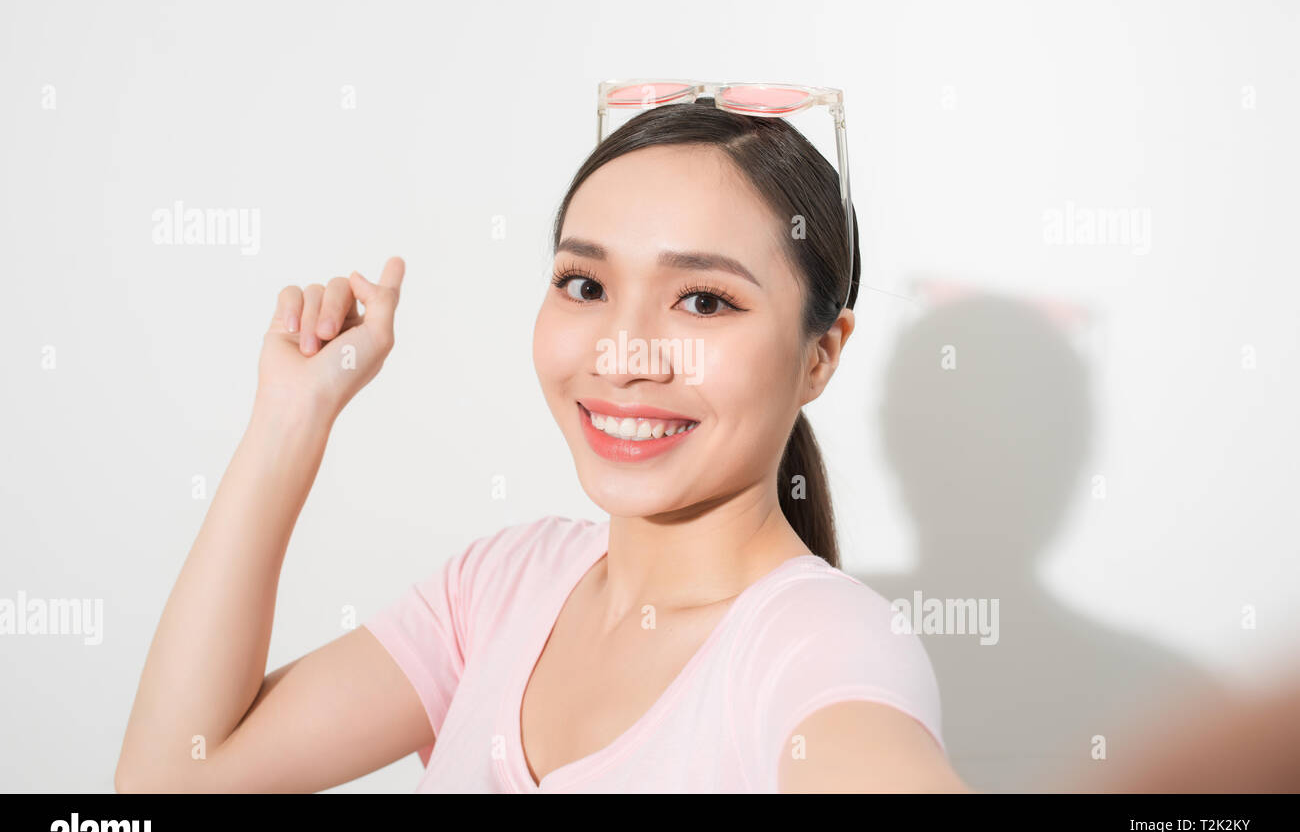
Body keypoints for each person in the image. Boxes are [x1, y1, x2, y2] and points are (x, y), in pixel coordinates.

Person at [115, 99, 971, 793]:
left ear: (819, 354)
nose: (623, 351)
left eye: (704, 301)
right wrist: (289, 417)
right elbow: (172, 782)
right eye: (585, 284)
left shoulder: (815, 642)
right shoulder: (502, 587)